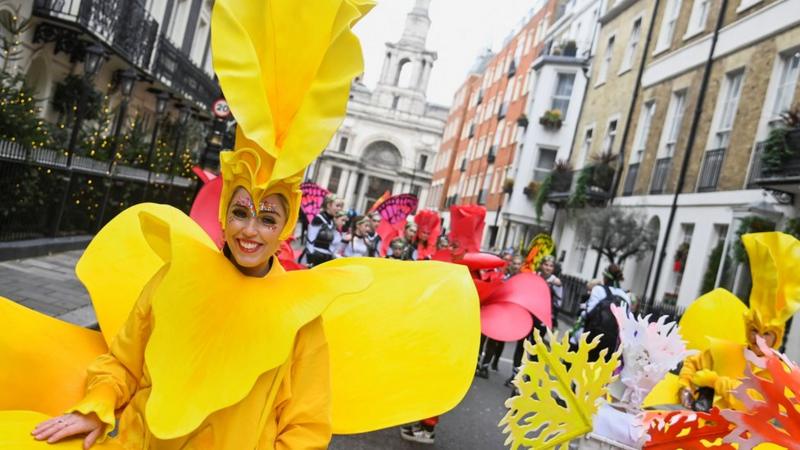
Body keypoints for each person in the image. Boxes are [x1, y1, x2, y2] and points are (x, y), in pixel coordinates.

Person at [0, 1, 481, 448]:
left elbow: (305, 428)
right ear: (225, 213)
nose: (251, 230)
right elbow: (122, 364)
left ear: (286, 225)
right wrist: (96, 406)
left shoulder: (302, 320)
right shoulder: (175, 276)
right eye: (241, 212)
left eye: (268, 218)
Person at [477, 254, 524, 379]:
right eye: (514, 263)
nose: (516, 266)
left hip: (504, 314)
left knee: (494, 340)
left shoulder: (521, 279)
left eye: (518, 264)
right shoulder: (501, 275)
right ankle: (476, 362)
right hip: (490, 308)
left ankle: (485, 365)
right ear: (510, 264)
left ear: (521, 266)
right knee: (482, 337)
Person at [583, 264, 631, 362]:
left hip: (594, 338)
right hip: (613, 343)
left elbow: (588, 313)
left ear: (605, 277)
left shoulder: (598, 290)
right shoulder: (625, 297)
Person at [303, 193, 343, 266]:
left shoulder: (332, 221)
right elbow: (310, 240)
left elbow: (334, 243)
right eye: (337, 206)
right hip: (315, 257)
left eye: (340, 206)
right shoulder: (319, 219)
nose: (339, 209)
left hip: (326, 259)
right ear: (328, 205)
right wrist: (309, 259)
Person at [538, 256, 563, 329]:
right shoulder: (535, 275)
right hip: (531, 310)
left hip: (544, 313)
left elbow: (558, 300)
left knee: (537, 338)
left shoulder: (555, 281)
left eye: (551, 266)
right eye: (546, 265)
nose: (548, 268)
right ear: (541, 265)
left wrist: (553, 315)